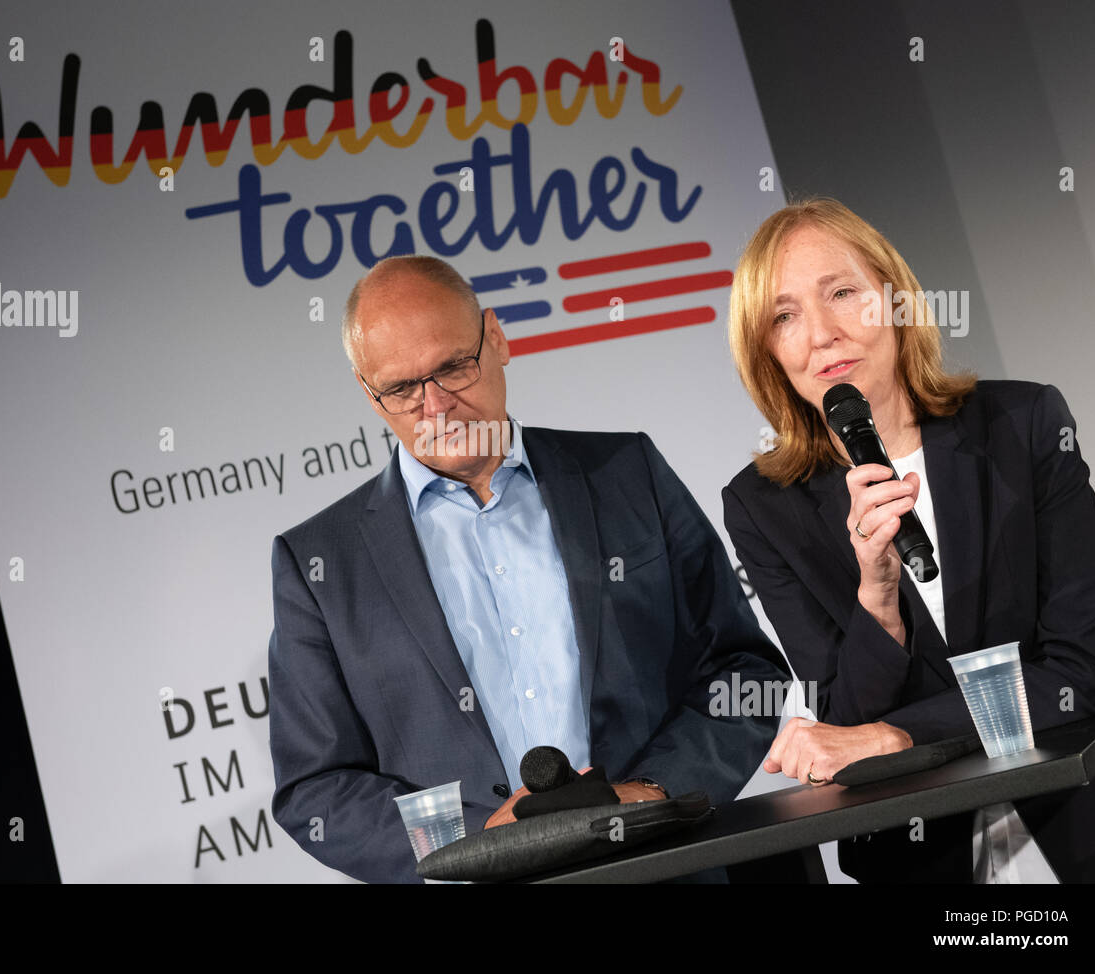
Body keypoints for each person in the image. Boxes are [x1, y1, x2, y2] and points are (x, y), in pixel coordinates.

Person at [268, 255, 790, 883]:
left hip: (668, 865)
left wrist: (656, 791)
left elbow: (743, 671)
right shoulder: (319, 562)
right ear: (368, 392)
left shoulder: (626, 472)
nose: (435, 406)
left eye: (452, 367)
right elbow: (316, 788)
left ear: (497, 338)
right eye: (403, 388)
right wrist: (474, 839)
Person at [721, 198, 1095, 882]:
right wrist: (876, 600)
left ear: (895, 299)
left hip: (1085, 818)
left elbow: (1085, 674)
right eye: (783, 317)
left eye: (841, 292)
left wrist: (903, 735)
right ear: (769, 355)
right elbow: (845, 724)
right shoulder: (763, 506)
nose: (820, 334)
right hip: (918, 856)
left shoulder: (1022, 425)